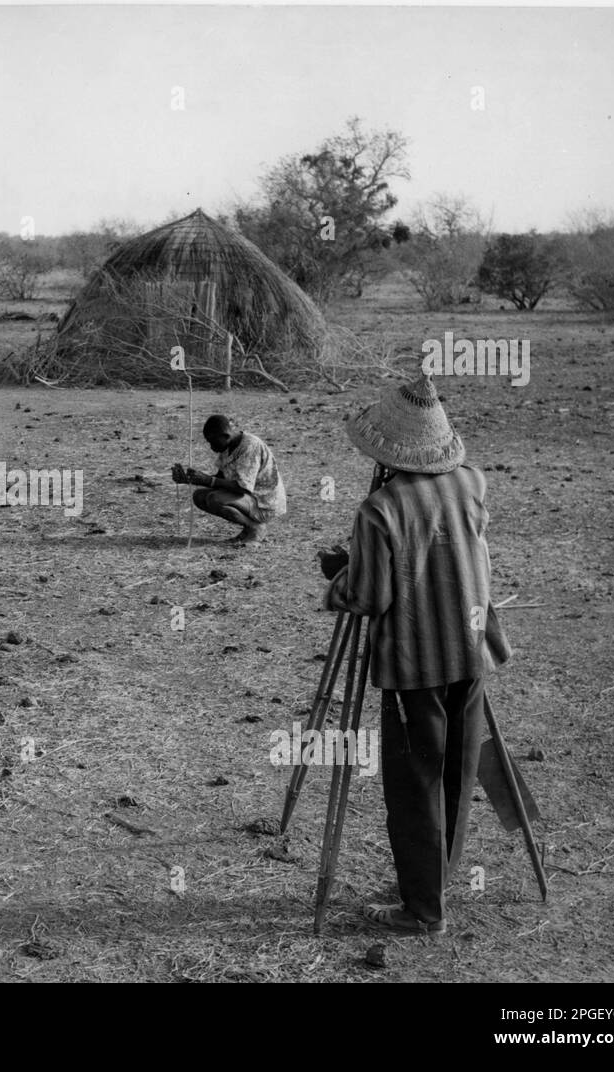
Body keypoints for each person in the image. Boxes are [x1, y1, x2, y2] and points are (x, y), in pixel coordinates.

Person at [319, 372, 511, 935]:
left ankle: (423, 910)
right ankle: (437, 879)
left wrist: (339, 576)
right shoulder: (472, 482)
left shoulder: (380, 510)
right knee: (457, 769)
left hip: (416, 664)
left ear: (384, 451)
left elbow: (369, 596)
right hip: (473, 651)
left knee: (415, 784)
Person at [171, 415, 287, 543]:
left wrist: (207, 480)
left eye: (212, 441)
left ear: (225, 435)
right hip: (249, 498)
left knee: (215, 499)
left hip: (264, 502)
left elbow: (243, 487)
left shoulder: (250, 445)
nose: (211, 447)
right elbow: (221, 479)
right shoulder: (228, 446)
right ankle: (248, 529)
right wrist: (190, 480)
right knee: (199, 496)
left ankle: (255, 528)